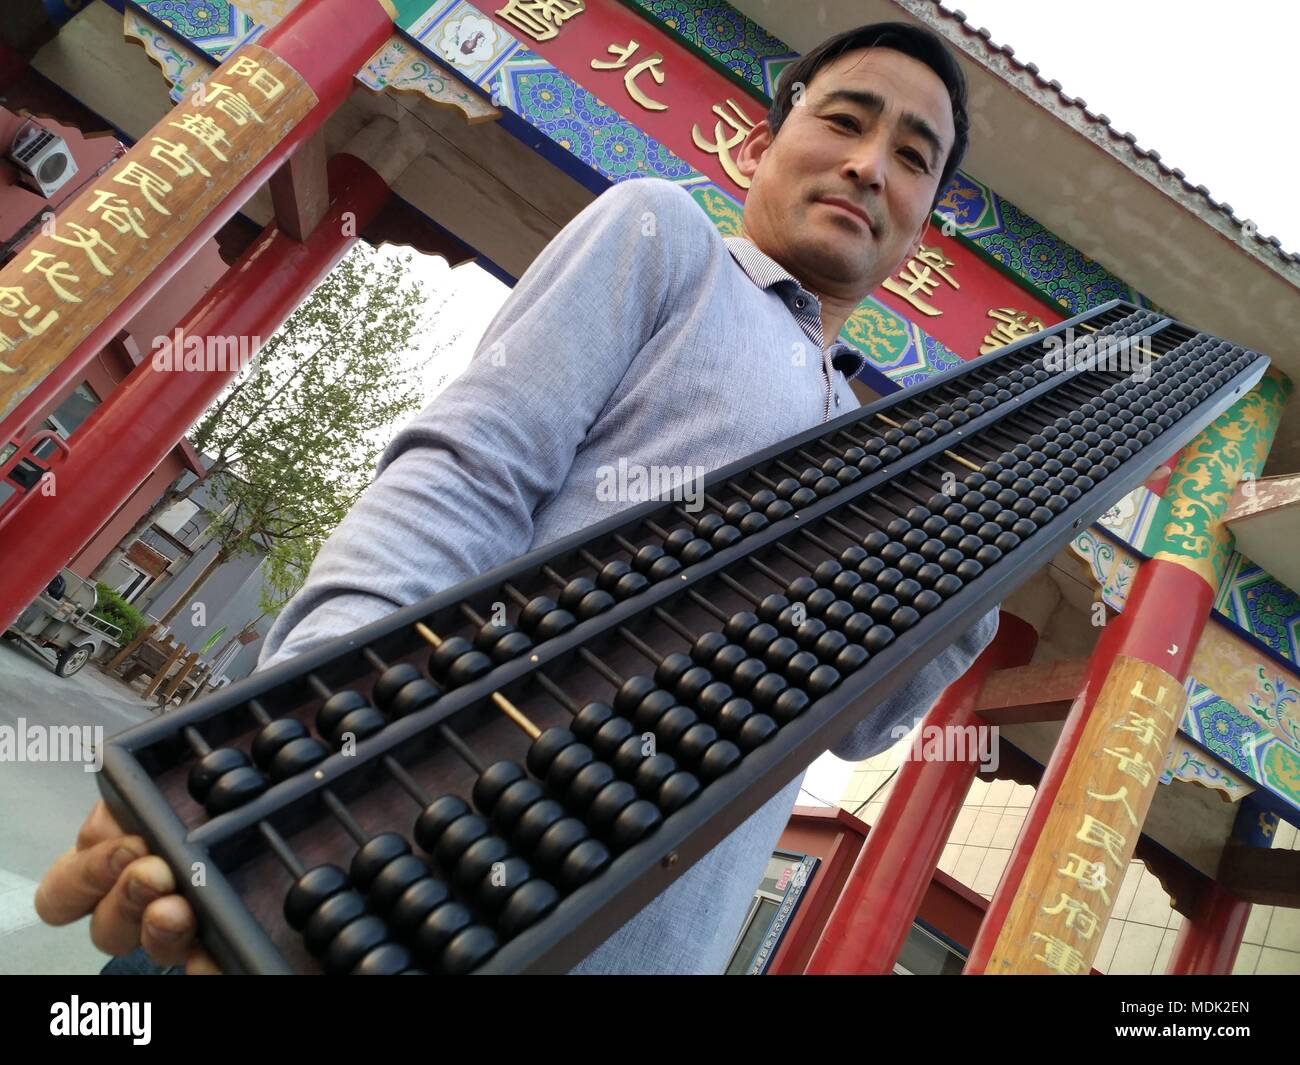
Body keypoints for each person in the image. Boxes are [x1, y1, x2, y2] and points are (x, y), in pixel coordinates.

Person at [35, 21, 998, 975]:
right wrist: (287, 742)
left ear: (921, 223)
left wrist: (983, 566)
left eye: (912, 158)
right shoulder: (667, 244)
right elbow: (471, 469)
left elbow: (862, 724)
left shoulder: (893, 459)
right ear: (764, 142)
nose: (871, 166)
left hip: (645, 938)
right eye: (844, 121)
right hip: (372, 864)